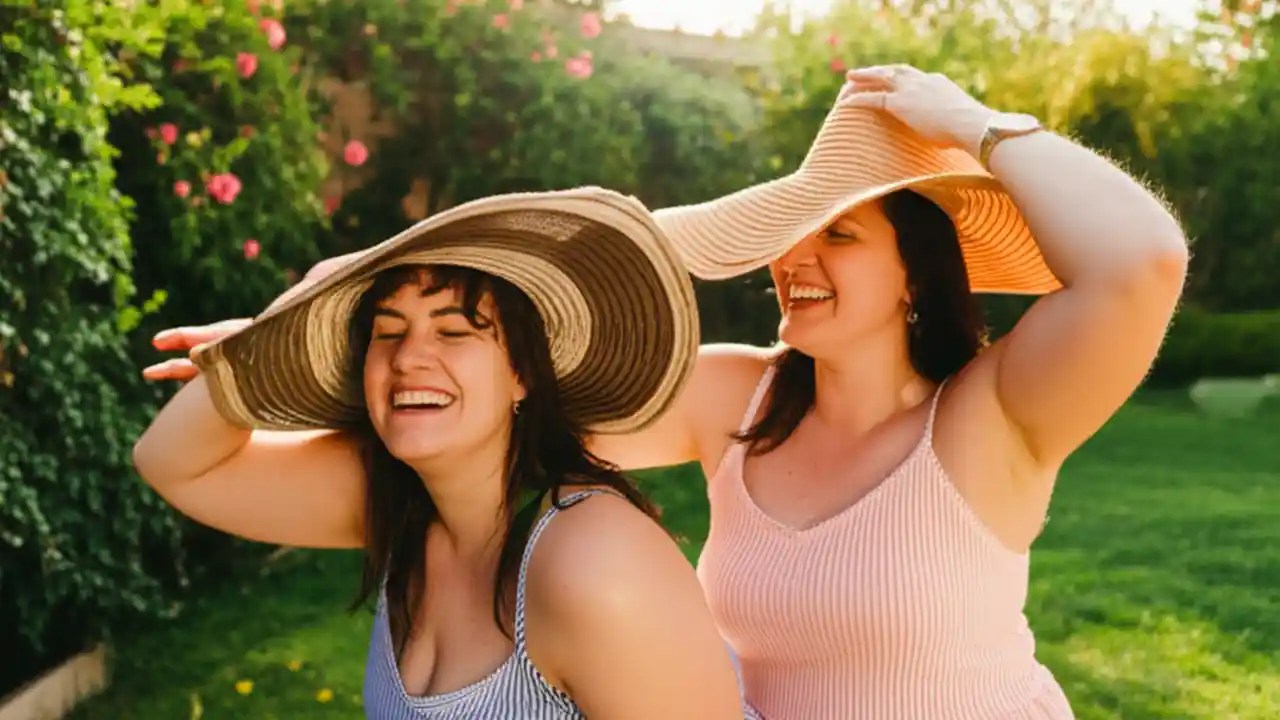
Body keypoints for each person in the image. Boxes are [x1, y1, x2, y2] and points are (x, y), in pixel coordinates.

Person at [148, 65, 1189, 719]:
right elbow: (476, 420)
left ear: (918, 269)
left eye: (838, 232)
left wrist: (974, 124)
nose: (794, 258)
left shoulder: (991, 418)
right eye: (786, 233)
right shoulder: (732, 397)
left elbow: (1138, 263)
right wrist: (290, 342)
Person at [133, 187, 757, 719]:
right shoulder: (401, 505)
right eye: (388, 331)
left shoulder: (595, 559)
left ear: (523, 374)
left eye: (454, 331)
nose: (409, 357)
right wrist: (267, 343)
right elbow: (171, 463)